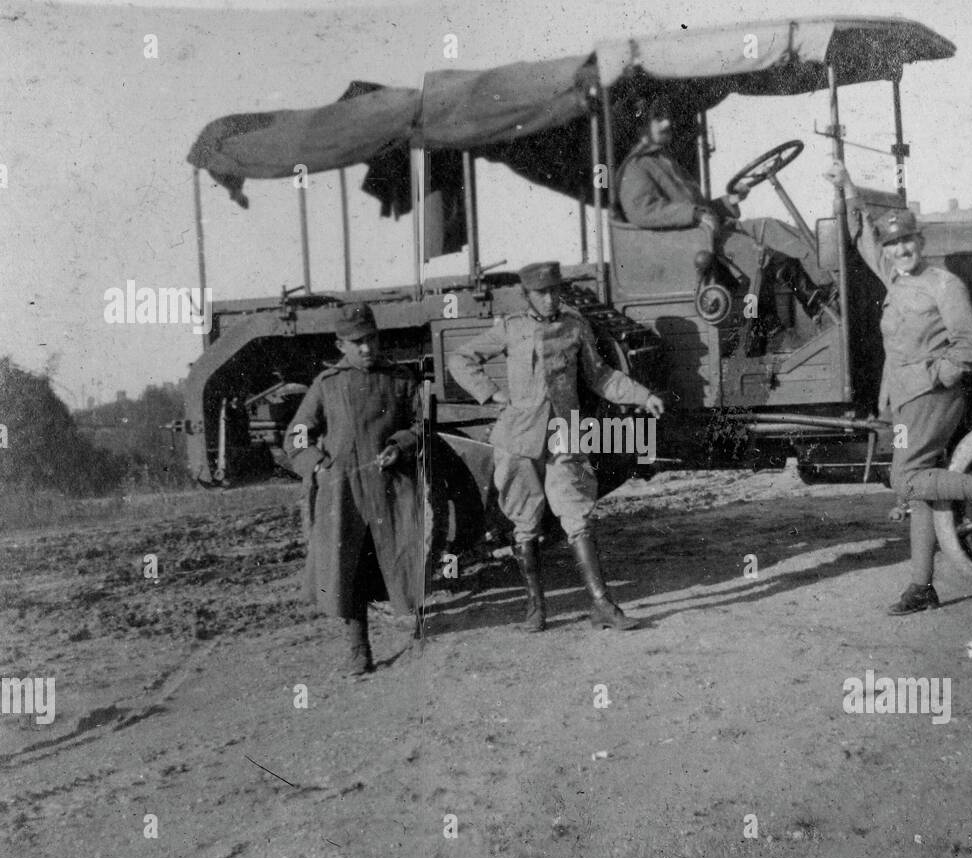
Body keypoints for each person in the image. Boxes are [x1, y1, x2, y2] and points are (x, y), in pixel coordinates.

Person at [824, 160, 972, 616]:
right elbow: (863, 238)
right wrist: (849, 187)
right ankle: (922, 586)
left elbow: (970, 345)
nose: (899, 250)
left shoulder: (943, 285)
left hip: (931, 397)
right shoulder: (895, 278)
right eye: (894, 244)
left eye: (907, 241)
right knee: (920, 491)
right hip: (903, 401)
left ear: (921, 242)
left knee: (905, 479)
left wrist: (937, 376)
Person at [447, 261, 665, 632]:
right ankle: (536, 608)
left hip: (566, 431)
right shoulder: (511, 327)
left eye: (554, 291)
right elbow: (460, 358)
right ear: (527, 295)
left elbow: (600, 376)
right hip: (518, 437)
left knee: (577, 514)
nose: (549, 299)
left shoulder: (575, 324)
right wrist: (491, 393)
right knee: (525, 520)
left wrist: (643, 396)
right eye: (541, 293)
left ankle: (603, 605)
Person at [284, 303, 425, 674]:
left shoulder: (400, 379)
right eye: (357, 342)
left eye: (371, 339)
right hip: (343, 494)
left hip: (389, 490)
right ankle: (358, 649)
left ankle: (419, 627)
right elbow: (297, 435)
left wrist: (401, 445)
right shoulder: (327, 385)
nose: (366, 348)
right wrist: (316, 466)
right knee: (349, 570)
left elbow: (421, 424)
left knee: (396, 559)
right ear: (340, 345)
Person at [617, 95, 830, 315]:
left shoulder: (663, 161)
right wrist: (696, 215)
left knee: (771, 227)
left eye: (667, 117)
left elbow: (698, 207)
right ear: (640, 127)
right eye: (658, 119)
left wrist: (731, 201)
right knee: (763, 257)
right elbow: (642, 211)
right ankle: (815, 306)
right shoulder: (636, 168)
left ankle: (828, 281)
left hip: (712, 232)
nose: (667, 123)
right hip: (694, 244)